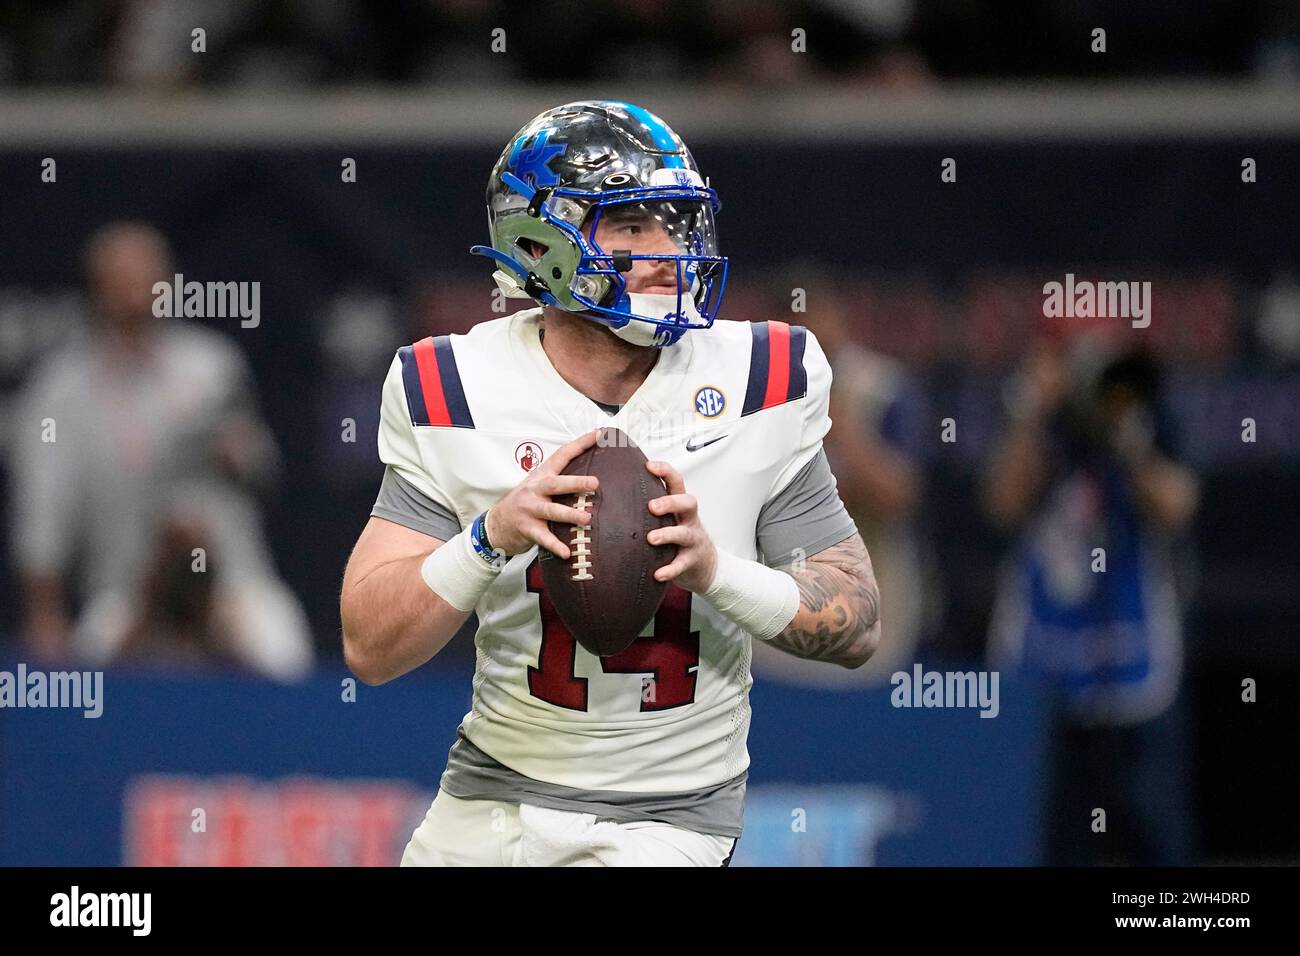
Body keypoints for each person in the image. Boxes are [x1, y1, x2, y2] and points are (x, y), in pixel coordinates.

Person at [340, 101, 882, 867]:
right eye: (630, 226)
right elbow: (370, 646)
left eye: (676, 221)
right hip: (489, 800)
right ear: (538, 241)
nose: (668, 251)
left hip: (669, 822)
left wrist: (715, 571)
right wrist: (489, 537)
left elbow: (857, 623)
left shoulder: (763, 376)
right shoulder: (452, 384)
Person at [8, 221, 313, 680]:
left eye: (149, 277)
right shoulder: (61, 392)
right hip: (123, 586)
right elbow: (43, 513)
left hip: (234, 581)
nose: (138, 290)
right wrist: (44, 613)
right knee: (86, 678)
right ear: (97, 287)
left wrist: (234, 455)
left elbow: (262, 468)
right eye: (123, 278)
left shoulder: (213, 365)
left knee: (286, 656)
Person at [983, 334, 1200, 865]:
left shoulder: (1146, 418)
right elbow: (1002, 503)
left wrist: (1123, 434)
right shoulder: (1037, 424)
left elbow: (1178, 505)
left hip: (1134, 666)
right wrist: (1034, 414)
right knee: (1059, 839)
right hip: (1049, 668)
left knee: (1157, 831)